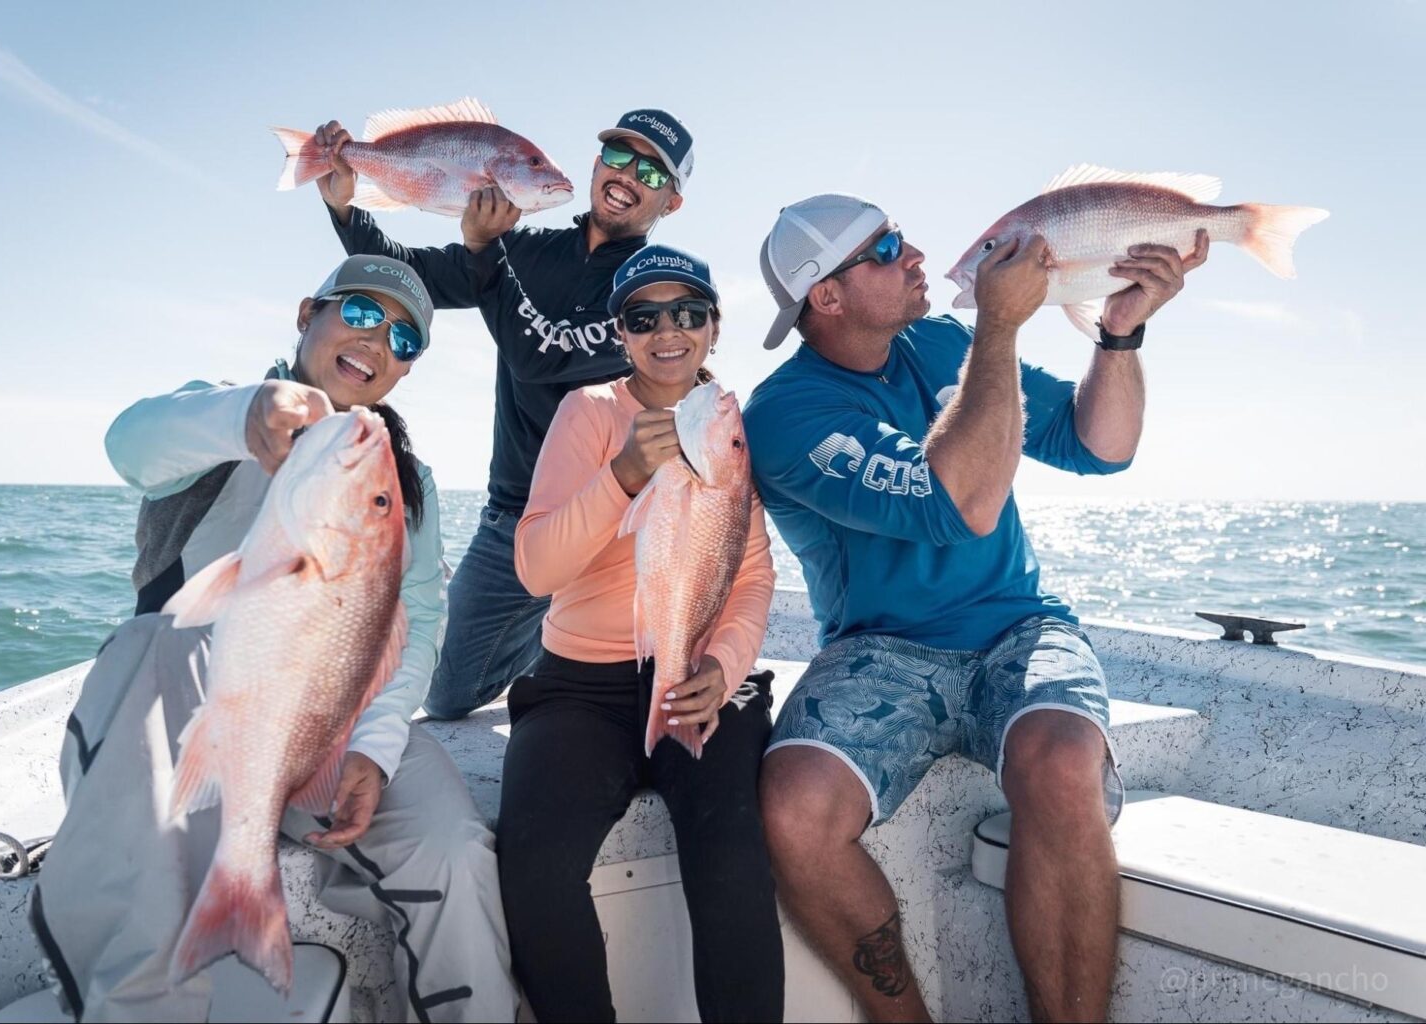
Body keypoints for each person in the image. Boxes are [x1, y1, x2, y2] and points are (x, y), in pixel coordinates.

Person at [743, 193, 1208, 1022]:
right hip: (881, 648)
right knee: (795, 807)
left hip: (1017, 627)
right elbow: (957, 504)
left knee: (1064, 760)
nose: (915, 251)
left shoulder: (940, 342)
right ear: (827, 296)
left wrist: (1119, 333)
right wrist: (998, 330)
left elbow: (1100, 446)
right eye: (884, 249)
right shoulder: (785, 416)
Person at [30, 254, 515, 1022]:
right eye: (359, 313)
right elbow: (129, 445)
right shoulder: (218, 414)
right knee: (153, 646)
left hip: (327, 725)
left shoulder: (397, 479)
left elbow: (418, 622)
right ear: (306, 315)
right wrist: (242, 414)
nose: (377, 340)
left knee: (450, 843)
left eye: (405, 338)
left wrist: (375, 746)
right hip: (191, 726)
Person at [311, 108, 696, 721]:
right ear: (597, 166)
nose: (629, 174)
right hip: (514, 518)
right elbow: (412, 278)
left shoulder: (649, 293)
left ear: (670, 202)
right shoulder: (523, 251)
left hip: (616, 525)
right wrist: (344, 209)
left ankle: (565, 636)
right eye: (619, 157)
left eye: (651, 170)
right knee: (444, 693)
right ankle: (548, 634)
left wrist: (487, 253)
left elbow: (539, 357)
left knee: (643, 686)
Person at [495, 245, 784, 1021]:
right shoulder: (587, 413)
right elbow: (534, 568)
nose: (668, 330)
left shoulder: (726, 425)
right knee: (533, 862)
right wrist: (621, 474)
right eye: (643, 315)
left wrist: (723, 667)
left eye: (689, 312)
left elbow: (751, 576)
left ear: (715, 329)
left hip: (694, 675)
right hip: (579, 691)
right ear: (619, 332)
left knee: (733, 860)